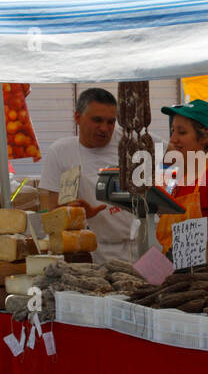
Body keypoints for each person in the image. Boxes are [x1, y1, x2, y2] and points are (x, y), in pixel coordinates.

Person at [39, 87, 138, 263]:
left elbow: (180, 156)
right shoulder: (61, 153)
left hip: (143, 245)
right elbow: (49, 213)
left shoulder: (132, 141)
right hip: (100, 251)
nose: (104, 128)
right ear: (77, 117)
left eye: (111, 122)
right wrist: (74, 214)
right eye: (97, 120)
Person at [156, 99, 208, 252]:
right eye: (172, 130)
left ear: (204, 138)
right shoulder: (174, 178)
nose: (173, 139)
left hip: (202, 274)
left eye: (182, 132)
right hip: (167, 271)